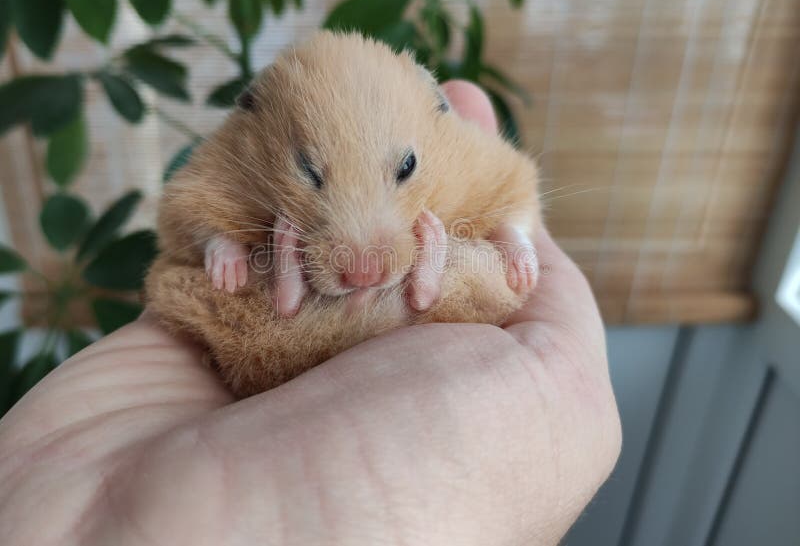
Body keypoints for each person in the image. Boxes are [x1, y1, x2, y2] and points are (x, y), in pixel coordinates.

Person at [0, 81, 621, 546]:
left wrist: (514, 234)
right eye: (309, 173)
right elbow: (189, 208)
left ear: (437, 113)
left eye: (404, 169)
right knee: (197, 285)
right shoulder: (246, 142)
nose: (362, 264)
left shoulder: (451, 141)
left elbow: (512, 186)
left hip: (360, 312)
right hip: (261, 341)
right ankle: (326, 286)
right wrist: (219, 242)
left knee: (486, 276)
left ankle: (407, 273)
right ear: (255, 115)